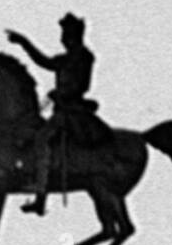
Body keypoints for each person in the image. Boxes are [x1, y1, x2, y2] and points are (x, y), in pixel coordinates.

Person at [6, 14, 111, 216]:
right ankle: (40, 195)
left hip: (73, 111)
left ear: (73, 36)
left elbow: (83, 84)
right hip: (62, 109)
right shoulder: (65, 59)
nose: (63, 38)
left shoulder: (83, 57)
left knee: (42, 138)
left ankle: (40, 190)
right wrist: (23, 42)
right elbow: (42, 60)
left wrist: (63, 93)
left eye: (65, 34)